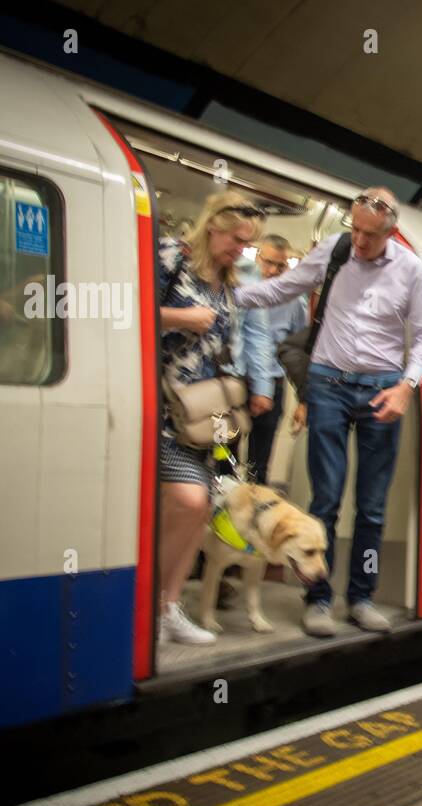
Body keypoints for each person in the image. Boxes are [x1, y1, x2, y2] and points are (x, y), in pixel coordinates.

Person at [235, 187, 422, 636]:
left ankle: (362, 597)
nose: (359, 242)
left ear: (391, 231)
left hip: (383, 390)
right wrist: (228, 296)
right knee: (324, 500)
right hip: (328, 385)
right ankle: (318, 600)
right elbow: (285, 287)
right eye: (355, 229)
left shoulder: (410, 271)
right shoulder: (335, 250)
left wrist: (407, 387)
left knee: (372, 507)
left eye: (370, 235)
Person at [156, 191, 264, 645]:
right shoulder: (169, 257)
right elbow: (127, 312)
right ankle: (149, 604)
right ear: (213, 225)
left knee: (208, 506)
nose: (240, 249)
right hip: (167, 408)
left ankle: (169, 607)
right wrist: (182, 317)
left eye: (247, 243)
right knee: (189, 501)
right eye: (236, 239)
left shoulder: (232, 284)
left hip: (215, 414)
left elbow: (237, 342)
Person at [238, 235, 310, 486]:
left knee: (259, 461)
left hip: (273, 385)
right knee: (225, 453)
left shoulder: (295, 302)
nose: (272, 271)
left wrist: (304, 400)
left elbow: (302, 350)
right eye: (267, 262)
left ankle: (255, 513)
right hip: (238, 381)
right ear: (257, 257)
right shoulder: (242, 289)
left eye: (280, 265)